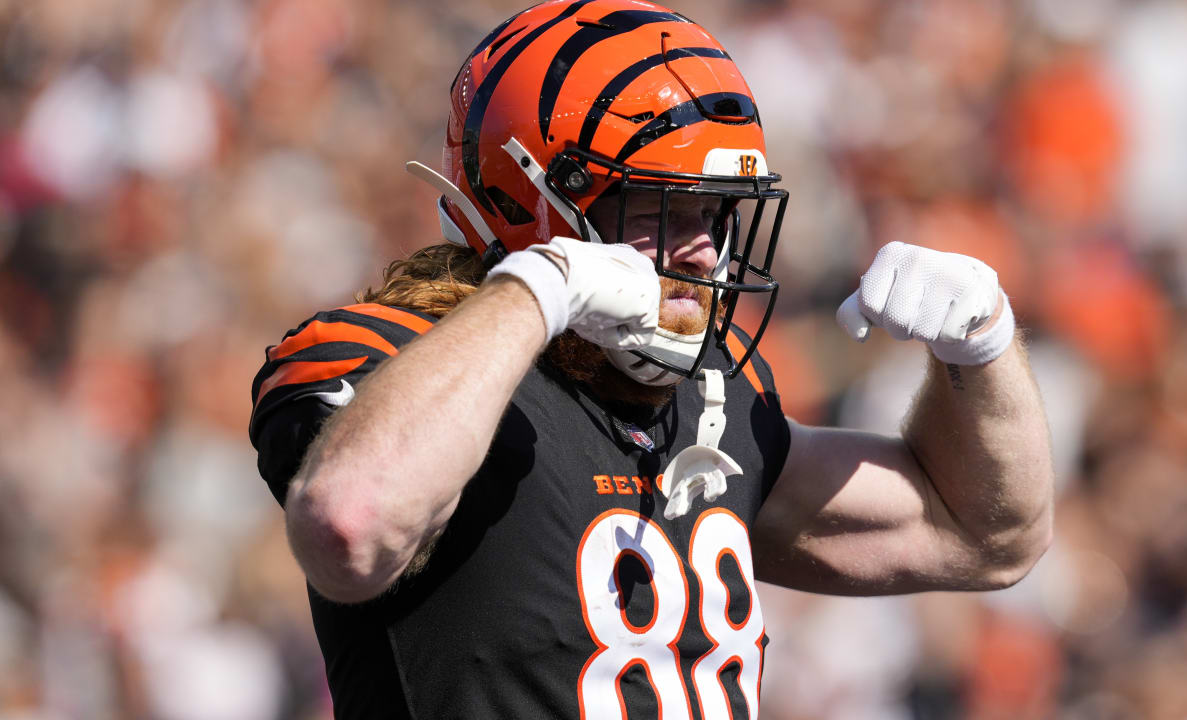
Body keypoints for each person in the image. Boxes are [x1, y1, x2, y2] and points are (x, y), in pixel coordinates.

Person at [248, 1, 1054, 717]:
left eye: (717, 213)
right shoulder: (386, 353)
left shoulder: (708, 389)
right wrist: (537, 287)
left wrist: (980, 347)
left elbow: (988, 537)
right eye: (659, 208)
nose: (703, 252)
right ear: (531, 202)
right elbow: (349, 528)